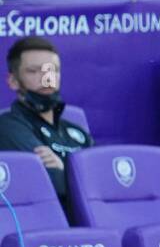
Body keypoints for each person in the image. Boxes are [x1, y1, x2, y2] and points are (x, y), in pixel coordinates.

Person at [0, 36, 93, 207]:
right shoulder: (7, 127)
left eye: (53, 70)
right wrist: (75, 173)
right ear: (13, 81)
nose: (47, 79)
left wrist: (62, 167)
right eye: (34, 71)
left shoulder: (77, 133)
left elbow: (102, 188)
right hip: (46, 226)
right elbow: (49, 182)